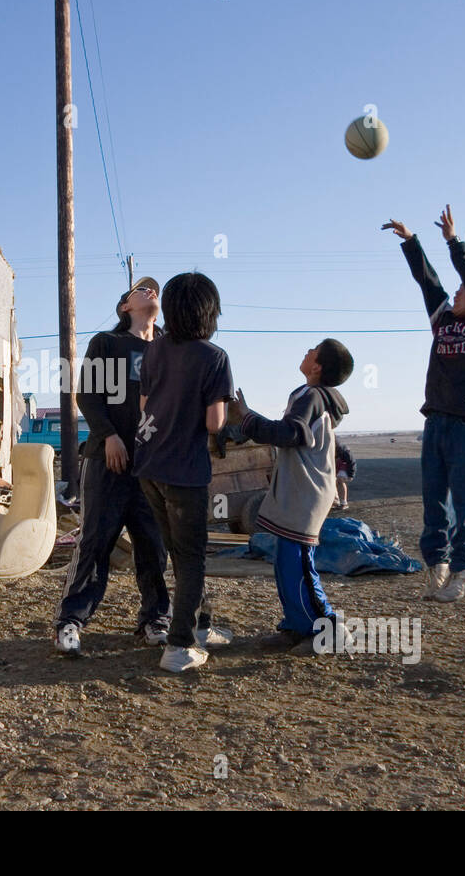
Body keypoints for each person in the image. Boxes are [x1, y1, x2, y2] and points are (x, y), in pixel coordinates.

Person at [383, 205, 465, 603]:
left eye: (463, 292)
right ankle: (438, 565)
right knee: (433, 498)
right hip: (435, 421)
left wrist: (454, 242)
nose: (455, 293)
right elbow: (428, 281)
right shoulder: (443, 318)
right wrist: (413, 242)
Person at [53, 277, 171, 656]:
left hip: (151, 467)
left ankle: (155, 621)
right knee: (96, 541)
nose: (150, 292)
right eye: (141, 290)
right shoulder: (108, 343)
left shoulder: (170, 349)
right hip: (109, 462)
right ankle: (70, 622)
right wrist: (108, 436)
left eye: (154, 290)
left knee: (153, 546)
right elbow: (87, 393)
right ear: (125, 307)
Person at [133, 272, 235, 673]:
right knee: (191, 558)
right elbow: (214, 423)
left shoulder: (154, 351)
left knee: (179, 551)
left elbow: (144, 406)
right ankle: (178, 646)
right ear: (210, 311)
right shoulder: (215, 358)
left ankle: (202, 624)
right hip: (185, 471)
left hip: (149, 465)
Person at [227, 339, 354, 655]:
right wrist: (248, 415)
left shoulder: (311, 395)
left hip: (305, 493)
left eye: (312, 350)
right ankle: (297, 626)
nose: (306, 352)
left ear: (317, 367)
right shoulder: (312, 396)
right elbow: (288, 429)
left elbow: (289, 433)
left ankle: (329, 628)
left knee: (297, 563)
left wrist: (245, 418)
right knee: (287, 562)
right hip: (302, 491)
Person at [334, 441, 356, 510]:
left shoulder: (343, 449)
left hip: (344, 465)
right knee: (333, 482)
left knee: (340, 480)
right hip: (335, 465)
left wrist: (351, 475)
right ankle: (336, 501)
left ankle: (344, 502)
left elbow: (351, 461)